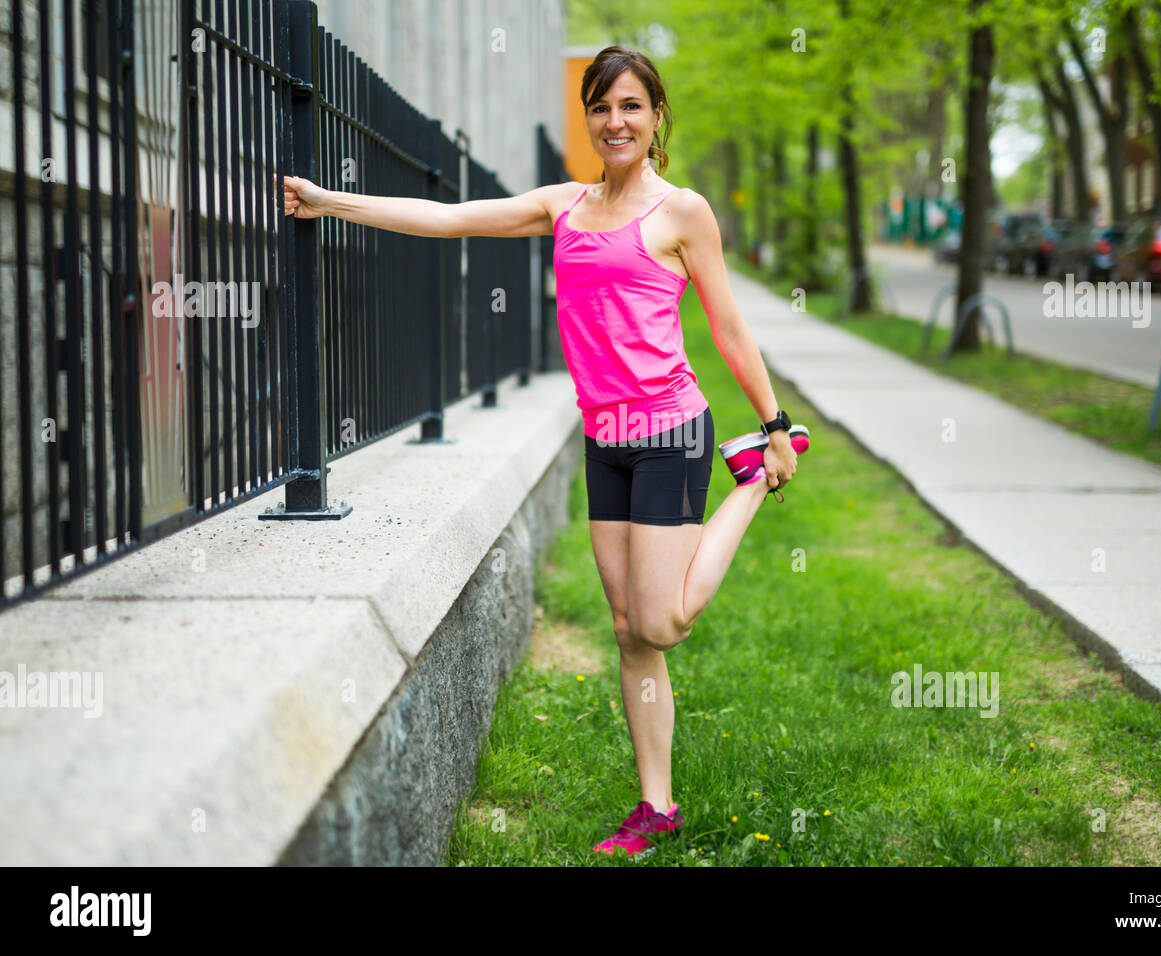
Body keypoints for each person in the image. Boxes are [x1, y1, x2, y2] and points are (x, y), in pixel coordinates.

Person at [281, 44, 810, 860]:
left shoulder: (683, 213)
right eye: (601, 106)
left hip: (671, 431)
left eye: (631, 105)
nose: (615, 121)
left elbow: (730, 327)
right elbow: (450, 219)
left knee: (666, 620)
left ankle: (744, 486)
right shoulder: (563, 206)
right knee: (629, 629)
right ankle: (656, 806)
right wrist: (331, 202)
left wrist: (774, 425)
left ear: (657, 116)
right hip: (605, 441)